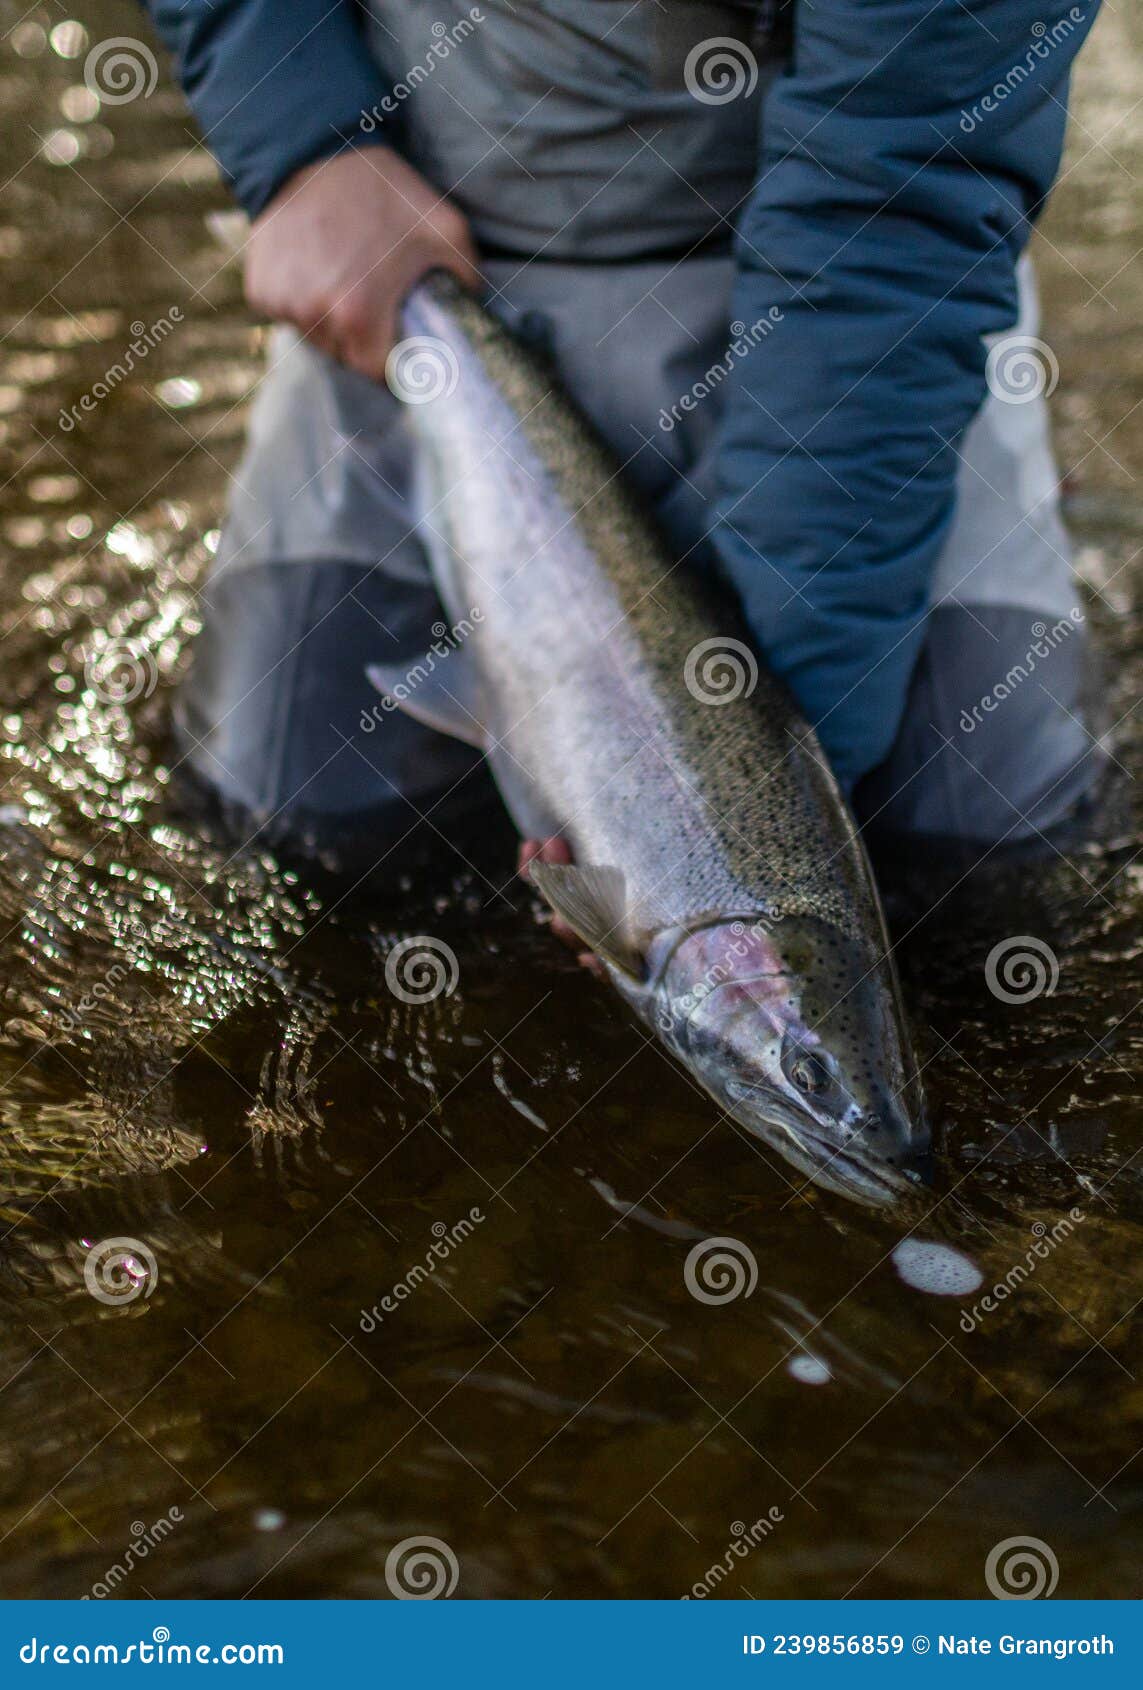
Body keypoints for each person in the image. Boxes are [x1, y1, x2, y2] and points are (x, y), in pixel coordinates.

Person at [143, 0, 1104, 874]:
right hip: (412, 257)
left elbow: (894, 206)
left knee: (991, 854)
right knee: (281, 822)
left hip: (860, 313)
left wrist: (754, 801)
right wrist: (302, 137)